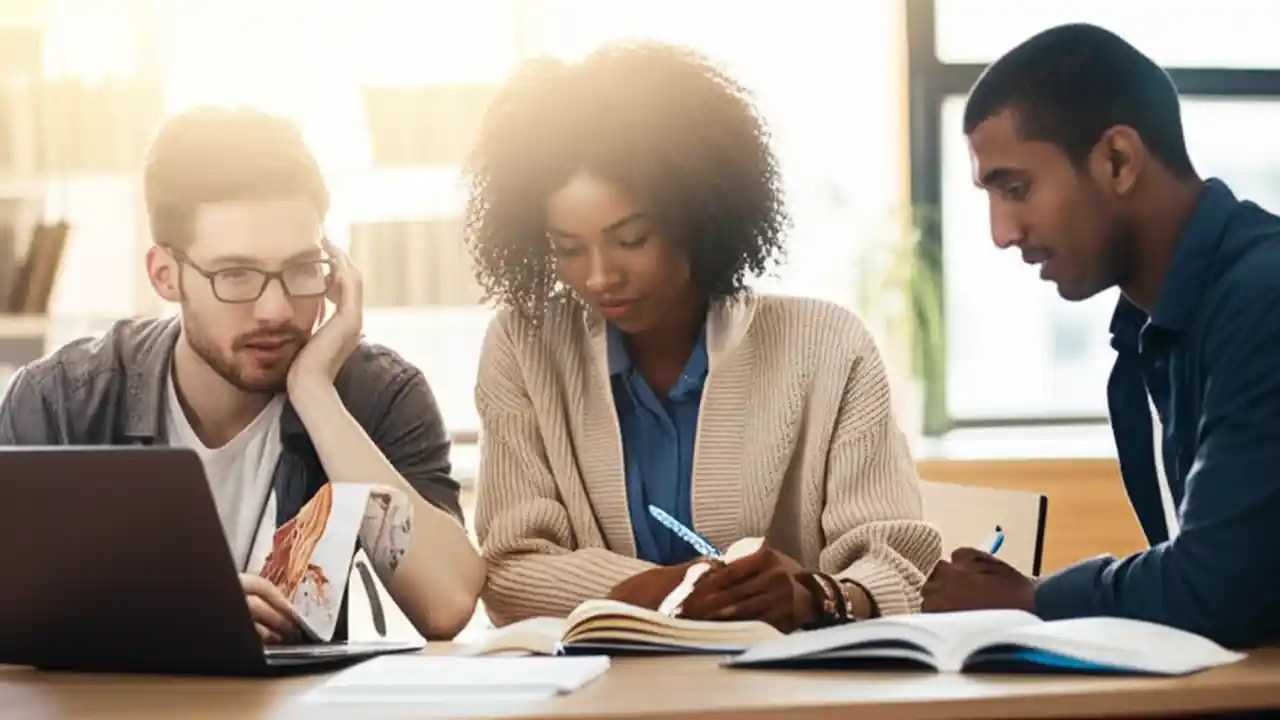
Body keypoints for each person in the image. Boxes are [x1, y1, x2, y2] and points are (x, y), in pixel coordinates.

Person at [465, 41, 941, 632]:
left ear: (699, 216)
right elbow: (509, 575)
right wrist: (677, 586)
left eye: (631, 239)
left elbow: (897, 567)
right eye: (568, 249)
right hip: (601, 697)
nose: (599, 276)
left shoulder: (827, 346)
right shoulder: (522, 346)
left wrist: (814, 597)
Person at [0, 107, 484, 642]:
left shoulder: (375, 395)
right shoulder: (64, 399)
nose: (275, 310)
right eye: (236, 274)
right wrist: (180, 609)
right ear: (165, 275)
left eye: (302, 268)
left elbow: (445, 603)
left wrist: (315, 393)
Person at [920, 23, 1280, 648]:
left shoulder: (1263, 297)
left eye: (1016, 187)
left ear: (1117, 160)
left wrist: (1032, 599)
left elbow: (1219, 586)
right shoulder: (1145, 342)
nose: (1001, 232)